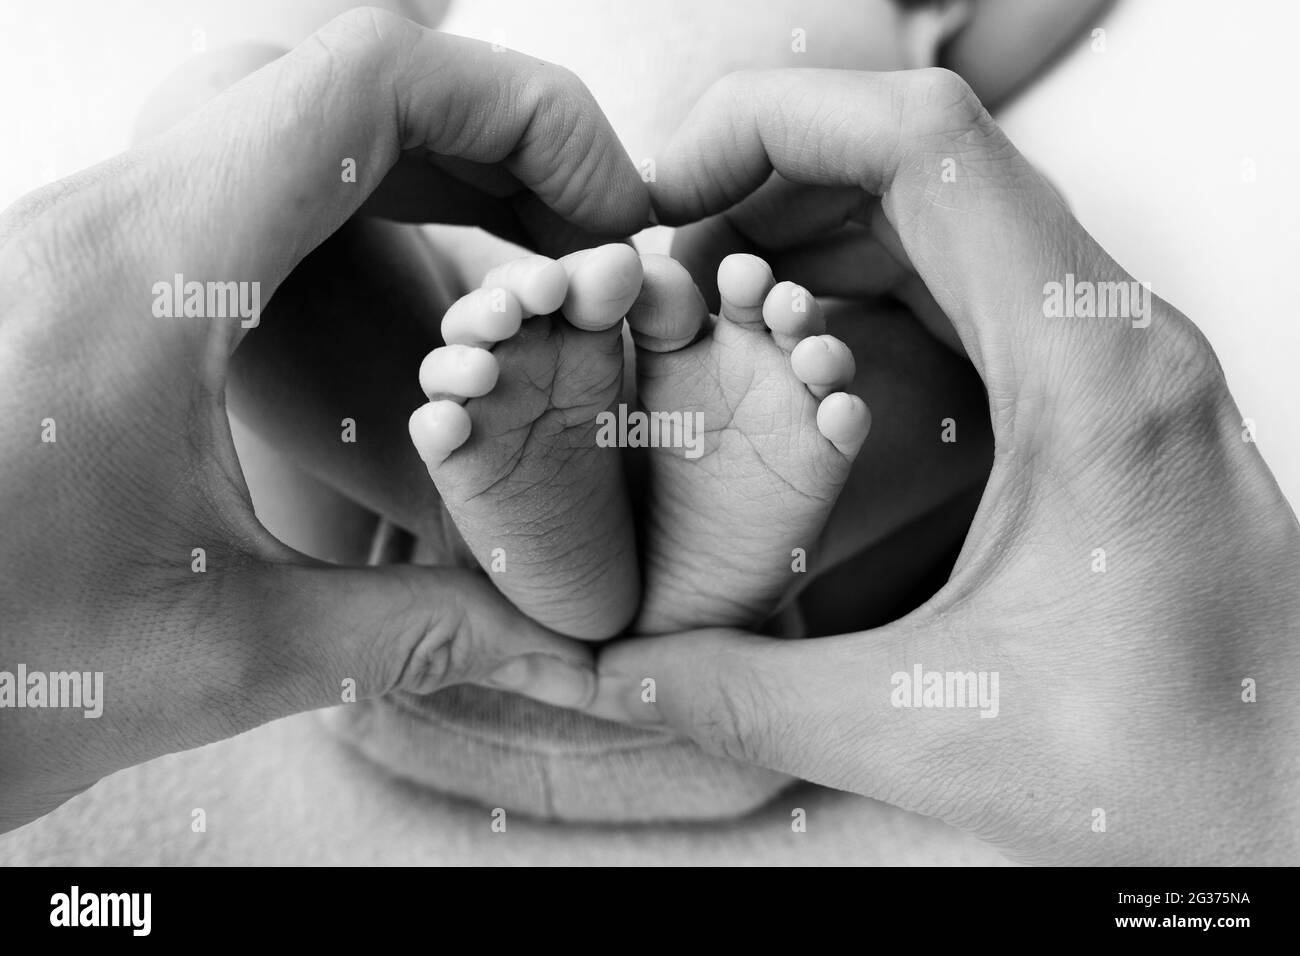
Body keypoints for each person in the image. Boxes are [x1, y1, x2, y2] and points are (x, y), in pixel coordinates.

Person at [1, 9, 1295, 863]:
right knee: (232, 114)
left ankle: (545, 509)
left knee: (930, 317)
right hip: (500, 343)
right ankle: (500, 493)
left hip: (557, 479)